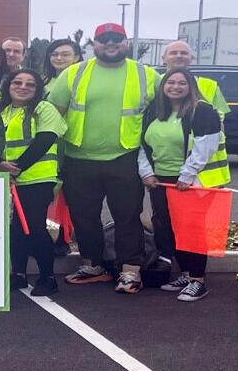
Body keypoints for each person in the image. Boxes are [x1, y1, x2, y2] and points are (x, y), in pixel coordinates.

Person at [47, 23, 160, 294]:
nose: (111, 43)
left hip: (125, 157)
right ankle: (93, 266)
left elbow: (170, 110)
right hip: (78, 158)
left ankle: (130, 271)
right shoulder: (74, 73)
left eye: (117, 39)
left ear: (126, 43)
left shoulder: (147, 75)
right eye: (104, 39)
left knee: (128, 216)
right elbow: (52, 115)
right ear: (94, 44)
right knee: (84, 217)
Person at [139, 68, 230, 302]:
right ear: (163, 86)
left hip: (191, 183)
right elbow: (141, 144)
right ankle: (186, 275)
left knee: (191, 230)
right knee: (167, 229)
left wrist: (187, 175)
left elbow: (206, 146)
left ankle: (198, 280)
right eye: (170, 82)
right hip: (160, 181)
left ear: (191, 87)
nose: (175, 87)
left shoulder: (202, 110)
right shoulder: (154, 111)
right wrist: (147, 173)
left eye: (182, 83)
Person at [0, 69, 69, 296]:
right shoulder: (3, 111)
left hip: (37, 178)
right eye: (17, 82)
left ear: (38, 89)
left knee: (35, 227)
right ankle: (18, 273)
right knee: (16, 229)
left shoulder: (43, 109)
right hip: (11, 179)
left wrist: (16, 168)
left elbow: (45, 140)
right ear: (8, 86)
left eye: (30, 84)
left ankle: (48, 277)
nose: (23, 87)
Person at [41, 39, 84, 257]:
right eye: (54, 54)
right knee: (49, 192)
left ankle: (65, 238)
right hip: (48, 144)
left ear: (76, 57)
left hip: (73, 144)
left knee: (70, 194)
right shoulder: (43, 83)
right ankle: (46, 236)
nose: (59, 58)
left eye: (65, 54)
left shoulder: (82, 81)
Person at [161, 40, 231, 118]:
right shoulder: (155, 81)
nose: (179, 56)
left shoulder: (210, 85)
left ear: (192, 59)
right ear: (164, 58)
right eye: (173, 53)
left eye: (184, 53)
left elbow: (224, 116)